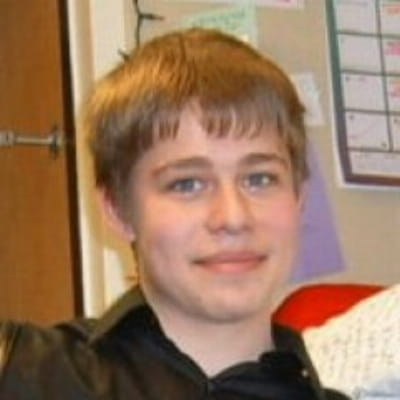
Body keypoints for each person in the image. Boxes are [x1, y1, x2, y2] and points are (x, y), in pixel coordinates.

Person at [0, 28, 348, 399]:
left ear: (299, 197)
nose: (233, 218)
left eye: (260, 179)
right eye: (188, 184)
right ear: (118, 210)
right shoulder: (24, 371)